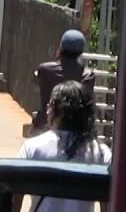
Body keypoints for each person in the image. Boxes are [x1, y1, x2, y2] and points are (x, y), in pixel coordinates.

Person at [17, 80, 112, 212]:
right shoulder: (101, 153)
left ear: (56, 110)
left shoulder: (33, 148)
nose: (47, 110)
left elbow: (14, 199)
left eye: (50, 105)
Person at [30, 30, 96, 133]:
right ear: (81, 51)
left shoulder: (44, 69)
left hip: (45, 125)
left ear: (61, 47)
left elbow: (34, 85)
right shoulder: (87, 74)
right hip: (74, 131)